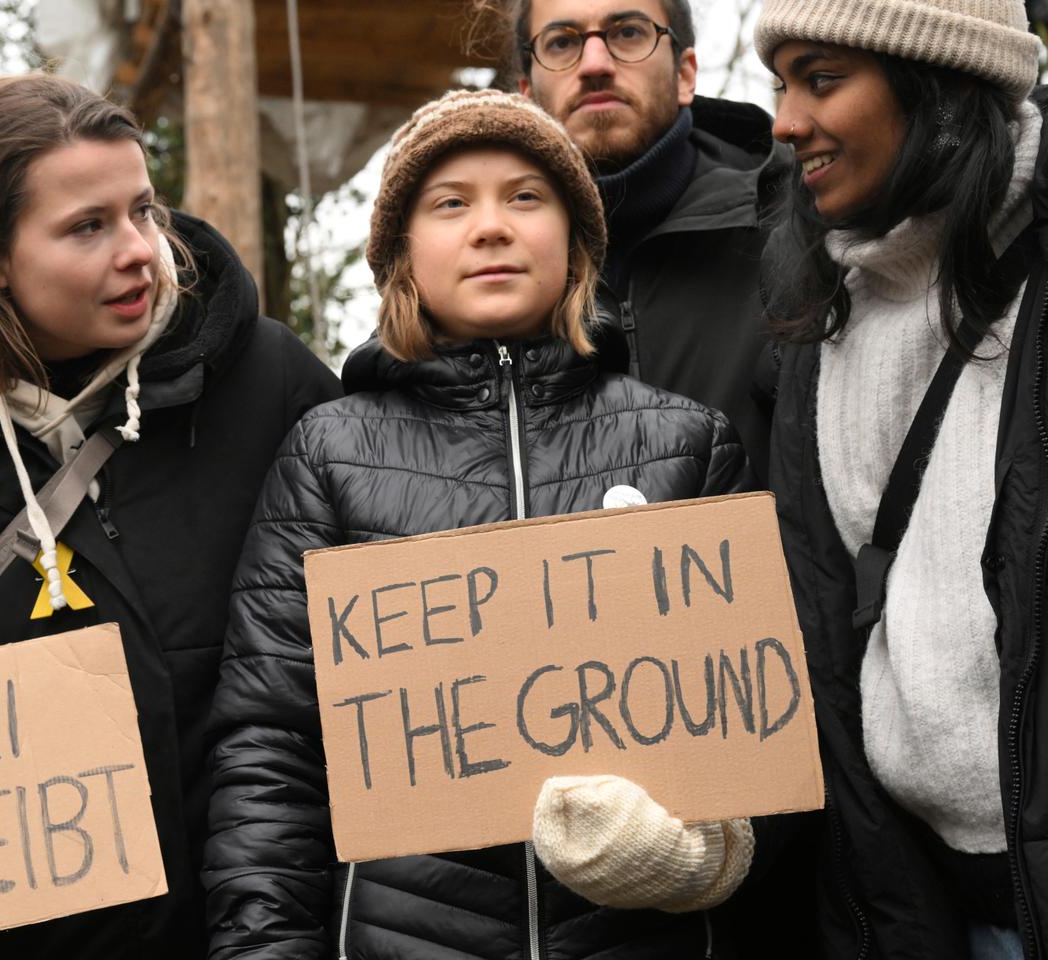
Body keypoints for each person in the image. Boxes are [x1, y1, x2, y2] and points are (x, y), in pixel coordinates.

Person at [204, 88, 764, 960]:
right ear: (401, 255)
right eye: (451, 203)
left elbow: (752, 733)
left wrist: (704, 854)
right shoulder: (326, 453)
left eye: (526, 197)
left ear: (576, 242)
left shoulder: (690, 444)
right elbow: (271, 743)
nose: (492, 227)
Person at [0, 73, 340, 957]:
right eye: (87, 227)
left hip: (277, 925)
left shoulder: (271, 378)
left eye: (143, 210)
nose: (139, 250)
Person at [755, 1, 1048, 957]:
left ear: (938, 85)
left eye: (823, 78)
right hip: (917, 900)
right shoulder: (818, 316)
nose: (786, 122)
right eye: (781, 83)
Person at [505, 0, 789, 478]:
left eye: (628, 33)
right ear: (528, 96)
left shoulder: (800, 230)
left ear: (685, 74)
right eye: (561, 42)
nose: (595, 65)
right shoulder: (478, 275)